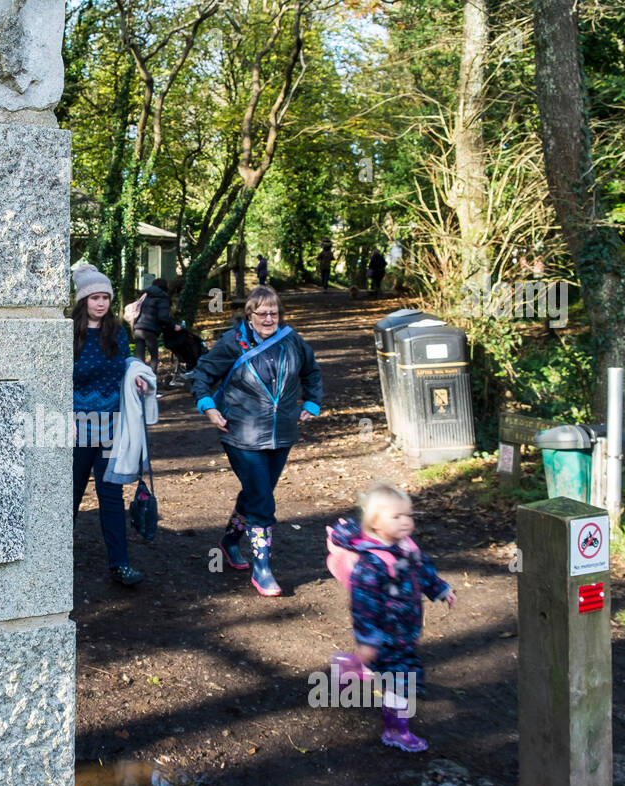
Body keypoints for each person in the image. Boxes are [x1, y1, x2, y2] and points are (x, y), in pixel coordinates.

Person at [189, 285, 322, 597]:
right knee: (262, 499)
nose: (269, 317)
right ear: (249, 316)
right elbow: (202, 375)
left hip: (282, 434)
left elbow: (312, 373)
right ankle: (262, 569)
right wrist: (208, 408)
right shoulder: (232, 343)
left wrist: (312, 403)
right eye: (262, 312)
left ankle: (230, 541)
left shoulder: (292, 341)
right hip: (241, 435)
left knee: (256, 493)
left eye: (274, 311)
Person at [327, 482, 456, 752]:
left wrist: (441, 590)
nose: (405, 522)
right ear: (375, 522)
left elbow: (423, 572)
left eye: (408, 515)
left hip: (405, 630)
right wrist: (369, 639)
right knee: (400, 680)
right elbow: (363, 606)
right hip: (383, 634)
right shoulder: (371, 563)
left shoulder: (406, 548)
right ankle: (396, 730)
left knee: (389, 672)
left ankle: (350, 669)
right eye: (396, 517)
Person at [72, 263, 150, 586]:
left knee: (111, 496)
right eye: (95, 298)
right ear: (83, 301)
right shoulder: (67, 333)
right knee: (69, 497)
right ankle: (54, 562)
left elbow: (126, 365)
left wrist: (137, 379)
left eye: (105, 297)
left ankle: (120, 563)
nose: (101, 303)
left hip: (110, 427)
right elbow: (54, 380)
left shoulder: (116, 331)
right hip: (75, 428)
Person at [132, 277, 173, 374]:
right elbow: (163, 317)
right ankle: (151, 382)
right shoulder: (163, 298)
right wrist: (172, 326)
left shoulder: (145, 295)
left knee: (139, 358)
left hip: (137, 328)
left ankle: (139, 381)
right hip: (150, 331)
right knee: (154, 357)